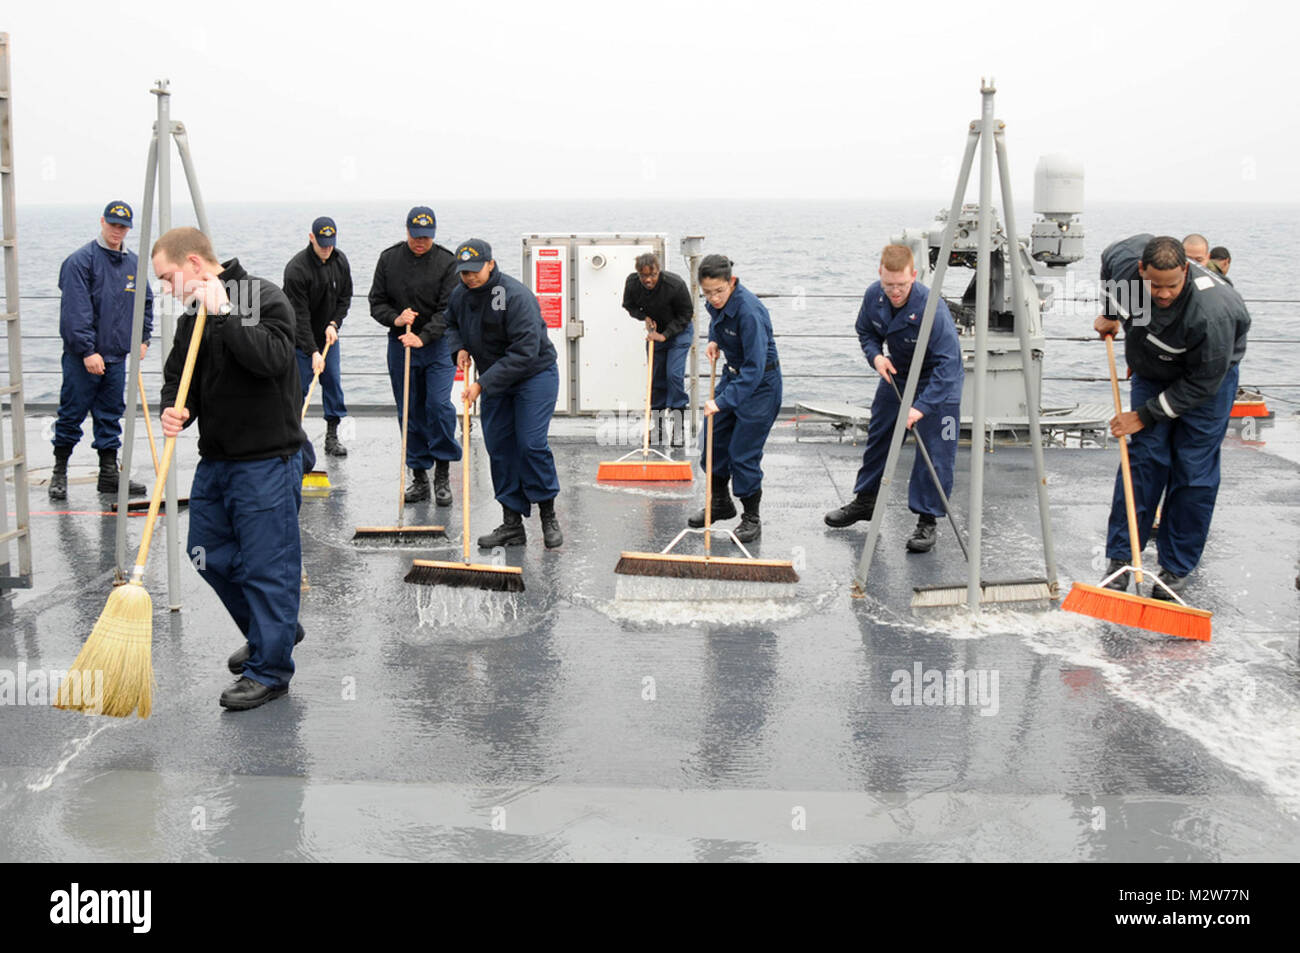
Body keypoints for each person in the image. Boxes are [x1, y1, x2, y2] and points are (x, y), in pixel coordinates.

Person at [153, 227, 306, 711]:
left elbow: (273, 360)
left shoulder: (263, 296)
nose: (166, 287)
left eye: (168, 276)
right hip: (216, 460)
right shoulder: (190, 318)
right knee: (205, 553)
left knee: (268, 567)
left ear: (195, 264)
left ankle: (271, 670)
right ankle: (274, 631)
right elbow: (181, 380)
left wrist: (226, 313)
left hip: (266, 459)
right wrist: (175, 409)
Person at [1093, 234, 1250, 599]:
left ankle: (1175, 568)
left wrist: (1144, 416)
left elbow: (1202, 384)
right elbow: (1110, 263)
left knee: (1193, 468)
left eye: (1172, 285)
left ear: (1186, 270)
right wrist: (1112, 316)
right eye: (1154, 285)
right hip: (1152, 368)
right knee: (1144, 459)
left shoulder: (1213, 310)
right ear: (1140, 270)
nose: (1162, 294)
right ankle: (1121, 560)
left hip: (1207, 377)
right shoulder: (1126, 271)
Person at [824, 244, 964, 552]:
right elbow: (865, 331)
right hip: (897, 373)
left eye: (901, 285)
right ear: (880, 276)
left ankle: (927, 521)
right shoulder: (874, 296)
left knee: (935, 453)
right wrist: (876, 357)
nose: (895, 291)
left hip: (937, 382)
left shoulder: (932, 308)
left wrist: (921, 408)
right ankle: (866, 501)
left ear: (913, 275)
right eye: (889, 285)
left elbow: (949, 365)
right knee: (880, 438)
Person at [444, 239, 563, 549]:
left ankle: (548, 514)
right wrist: (458, 347)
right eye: (464, 272)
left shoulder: (516, 296)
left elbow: (525, 351)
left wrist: (482, 384)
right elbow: (451, 323)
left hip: (534, 376)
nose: (469, 278)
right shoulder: (460, 295)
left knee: (530, 444)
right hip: (495, 381)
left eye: (474, 271)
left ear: (491, 264)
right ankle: (512, 523)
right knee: (499, 447)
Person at [50, 200, 154, 500]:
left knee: (111, 415)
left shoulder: (134, 264)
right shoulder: (79, 262)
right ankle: (60, 471)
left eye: (123, 226)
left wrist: (143, 338)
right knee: (71, 413)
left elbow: (144, 303)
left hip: (116, 357)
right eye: (113, 224)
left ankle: (108, 474)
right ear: (102, 222)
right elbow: (75, 311)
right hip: (82, 358)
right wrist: (87, 351)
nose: (117, 231)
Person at [368, 206, 462, 506]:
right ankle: (419, 475)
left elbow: (449, 310)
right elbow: (376, 302)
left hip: (436, 345)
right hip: (401, 344)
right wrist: (395, 319)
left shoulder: (447, 262)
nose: (421, 242)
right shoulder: (389, 259)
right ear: (406, 230)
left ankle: (443, 473)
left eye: (426, 237)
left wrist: (422, 337)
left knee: (437, 405)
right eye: (416, 236)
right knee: (409, 410)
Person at [687, 255, 781, 543]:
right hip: (732, 375)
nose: (714, 298)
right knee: (712, 442)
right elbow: (717, 321)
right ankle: (720, 503)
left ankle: (751, 518)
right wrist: (714, 340)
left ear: (732, 282)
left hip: (760, 385)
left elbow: (754, 368)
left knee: (743, 453)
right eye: (707, 293)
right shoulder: (717, 303)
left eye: (719, 291)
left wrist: (722, 402)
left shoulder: (749, 312)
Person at [284, 216, 353, 455]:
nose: (326, 248)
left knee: (332, 383)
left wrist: (335, 323)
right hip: (299, 339)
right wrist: (312, 351)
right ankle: (292, 439)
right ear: (311, 238)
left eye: (330, 243)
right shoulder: (296, 269)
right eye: (322, 243)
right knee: (299, 388)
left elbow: (345, 298)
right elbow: (298, 316)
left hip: (328, 337)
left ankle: (332, 437)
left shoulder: (340, 261)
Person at [621, 252, 694, 447]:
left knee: (674, 376)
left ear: (658, 270)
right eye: (643, 275)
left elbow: (687, 313)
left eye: (652, 275)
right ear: (638, 273)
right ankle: (659, 429)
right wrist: (643, 317)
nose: (648, 279)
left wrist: (666, 334)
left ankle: (679, 429)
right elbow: (628, 306)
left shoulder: (675, 284)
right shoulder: (632, 283)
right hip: (655, 333)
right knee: (656, 380)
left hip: (679, 332)